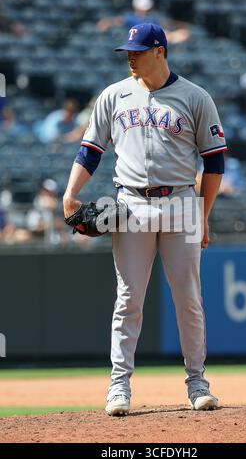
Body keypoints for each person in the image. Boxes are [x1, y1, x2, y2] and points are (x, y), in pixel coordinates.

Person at [63, 23, 227, 416]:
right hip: (131, 205)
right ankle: (119, 387)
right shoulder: (114, 95)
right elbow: (90, 151)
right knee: (128, 299)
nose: (130, 57)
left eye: (137, 50)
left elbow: (215, 161)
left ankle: (197, 382)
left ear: (160, 52)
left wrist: (203, 215)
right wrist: (71, 193)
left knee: (188, 299)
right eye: (128, 52)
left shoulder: (195, 96)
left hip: (183, 203)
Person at [97, 0, 190, 45]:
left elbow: (164, 23)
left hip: (150, 43)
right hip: (137, 43)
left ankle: (170, 38)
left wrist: (179, 25)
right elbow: (117, 21)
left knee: (177, 34)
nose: (144, 11)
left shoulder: (152, 18)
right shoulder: (131, 17)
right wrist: (107, 23)